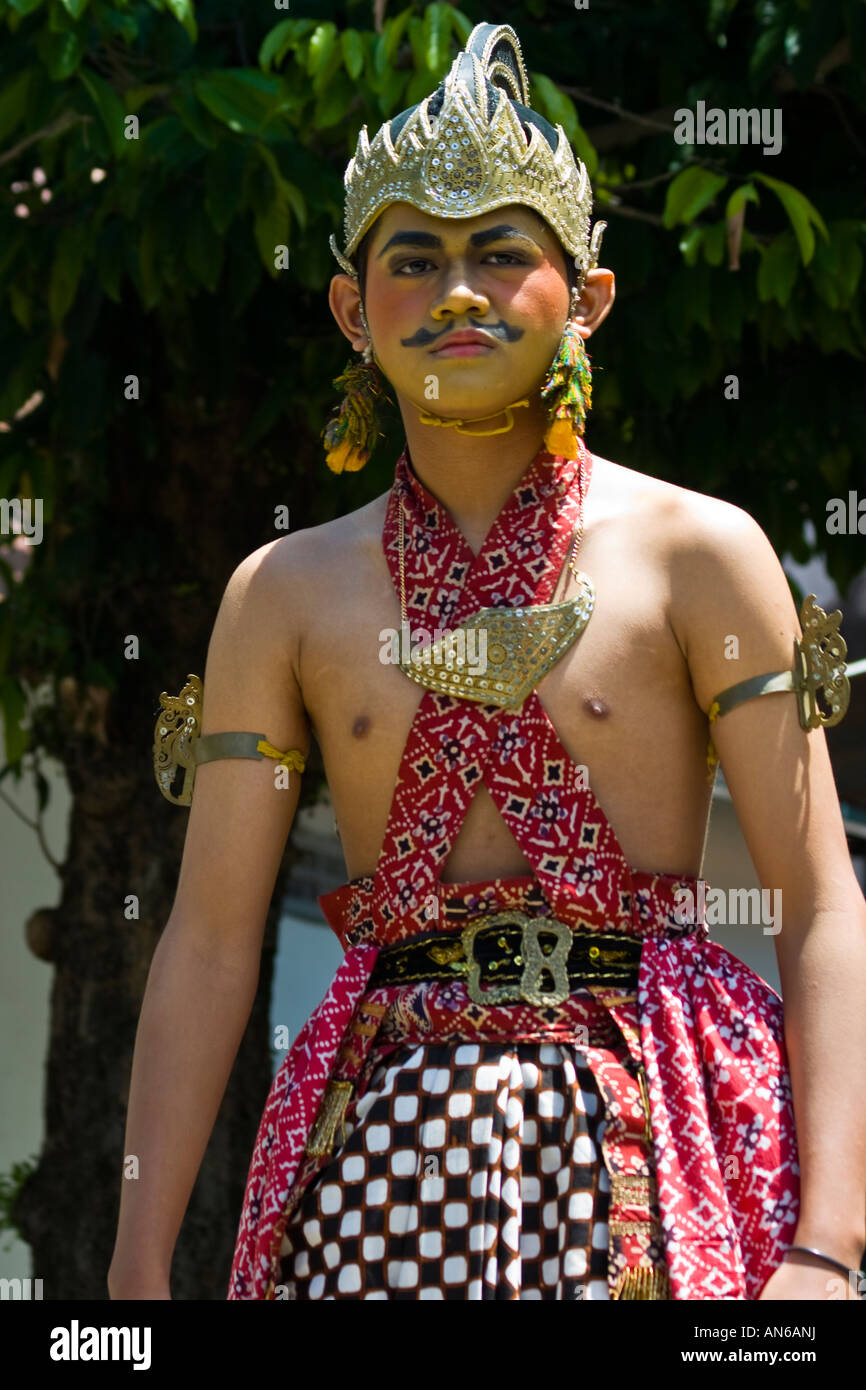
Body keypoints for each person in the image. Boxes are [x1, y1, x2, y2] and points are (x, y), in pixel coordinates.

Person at [109, 22, 865, 1302]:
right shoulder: (281, 593)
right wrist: (132, 1270)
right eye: (414, 259)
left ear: (588, 297)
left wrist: (829, 1241)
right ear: (352, 310)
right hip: (371, 1143)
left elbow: (820, 902)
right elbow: (210, 940)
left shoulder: (701, 555)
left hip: (663, 1123)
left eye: (501, 253)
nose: (457, 291)